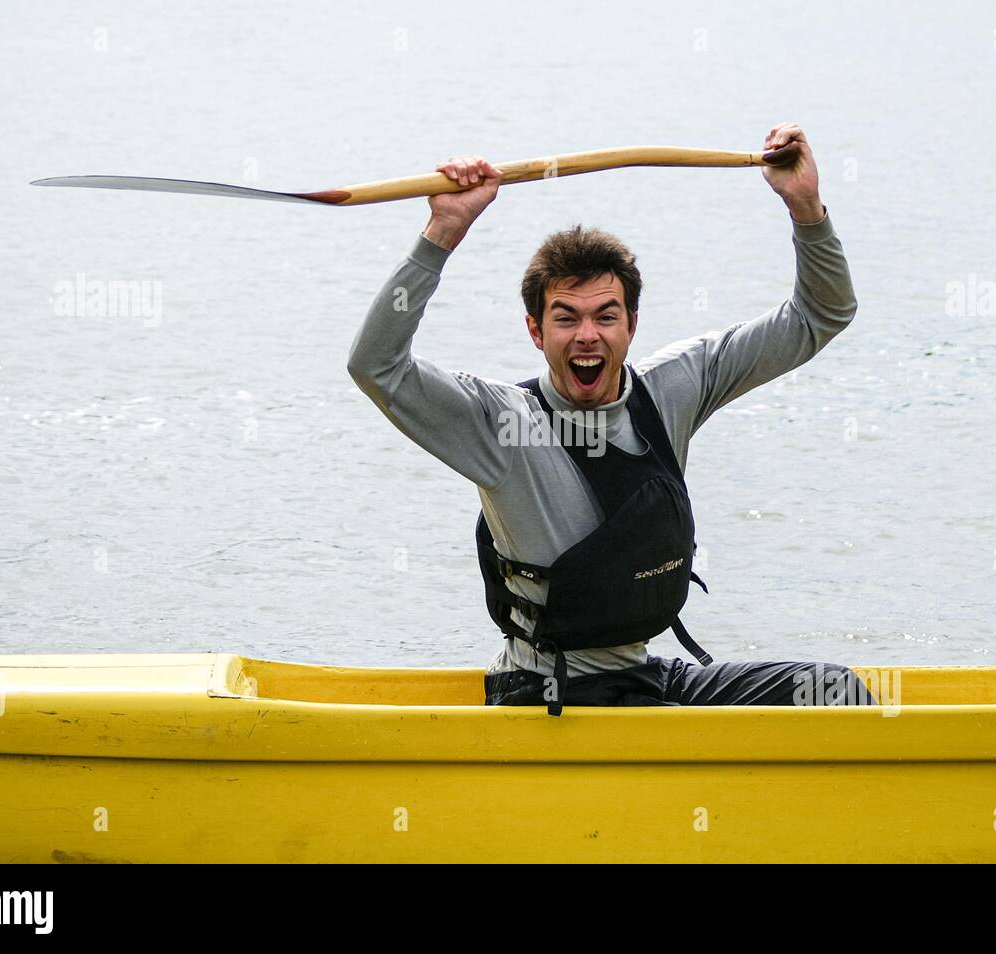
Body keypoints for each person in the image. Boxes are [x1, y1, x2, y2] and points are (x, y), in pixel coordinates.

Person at [348, 122, 875, 714]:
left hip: (641, 675)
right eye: (566, 318)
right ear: (535, 330)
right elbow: (376, 366)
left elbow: (821, 315)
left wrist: (805, 206)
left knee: (836, 689)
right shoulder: (497, 423)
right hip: (550, 694)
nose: (587, 336)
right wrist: (443, 231)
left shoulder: (677, 386)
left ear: (631, 324)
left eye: (605, 315)